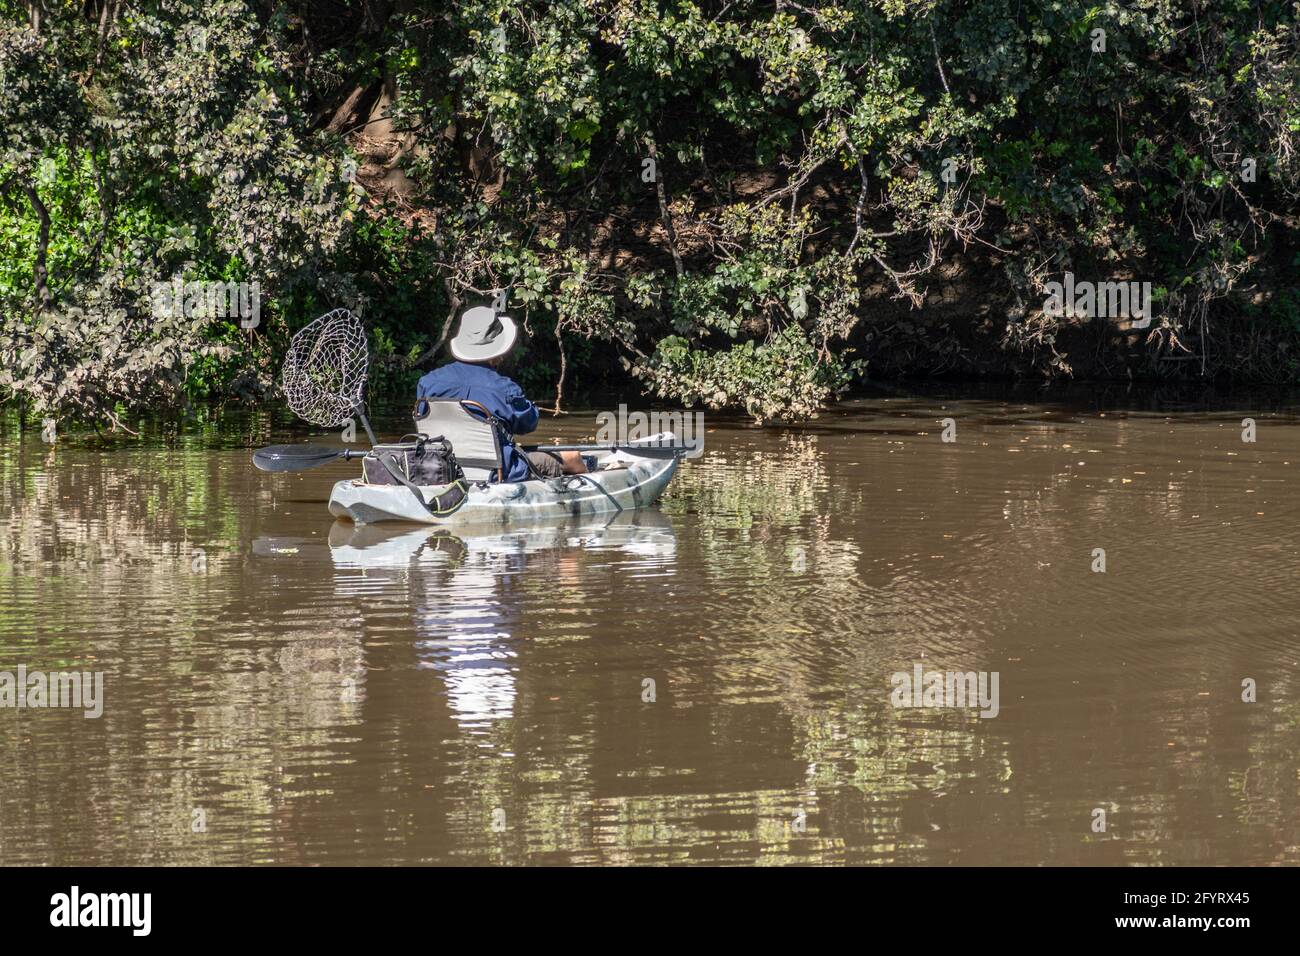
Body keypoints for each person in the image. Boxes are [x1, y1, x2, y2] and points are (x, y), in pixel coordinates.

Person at [415, 305, 586, 481]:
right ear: (495, 351)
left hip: (441, 470)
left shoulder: (428, 383)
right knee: (573, 457)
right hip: (498, 472)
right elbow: (529, 424)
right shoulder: (504, 389)